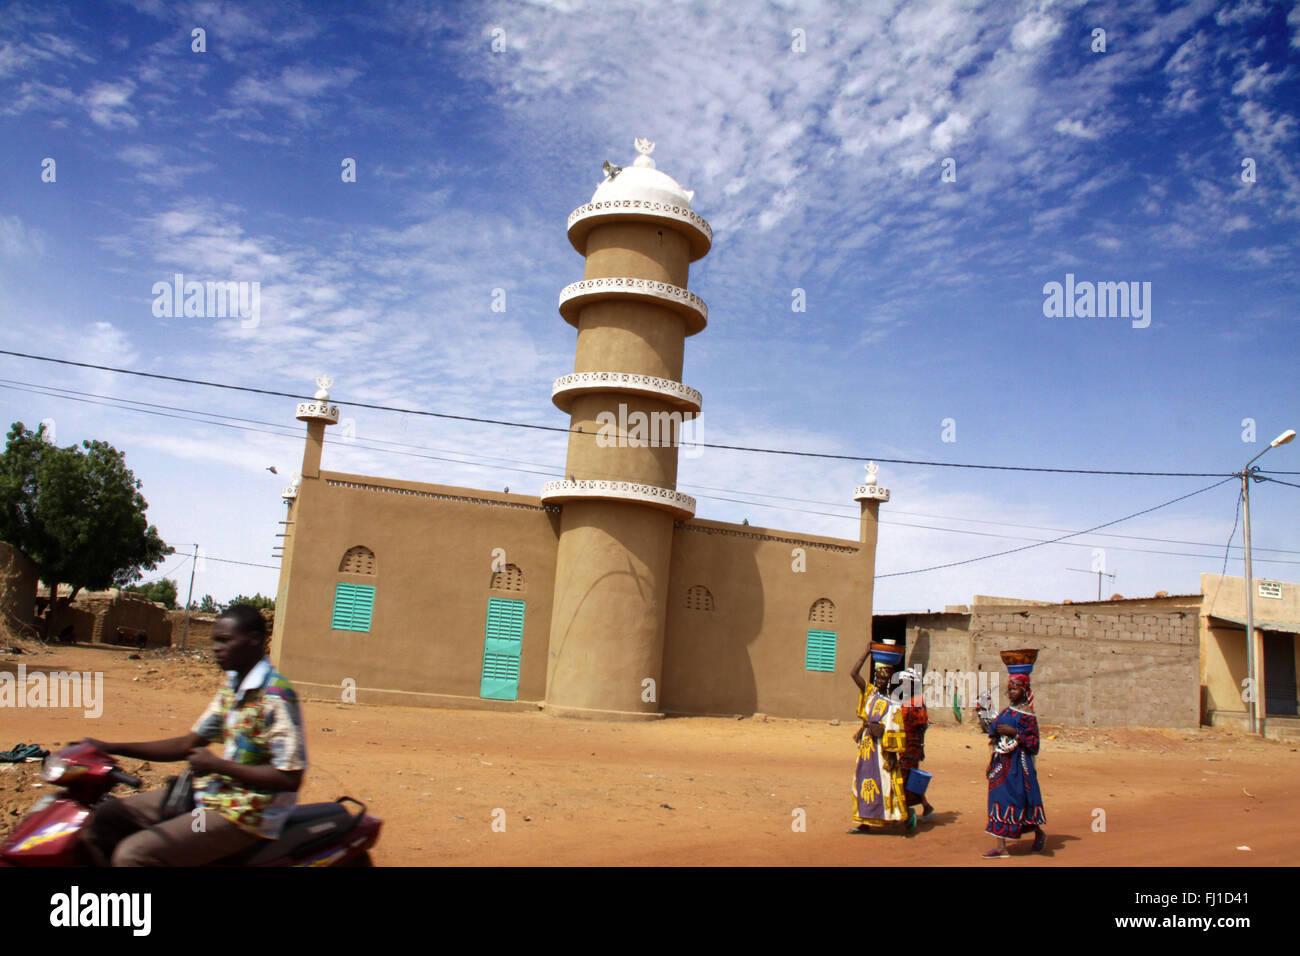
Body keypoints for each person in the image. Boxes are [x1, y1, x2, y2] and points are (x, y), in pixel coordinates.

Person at [81, 604, 307, 866]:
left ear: (254, 639)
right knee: (107, 816)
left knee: (134, 855)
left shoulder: (275, 696)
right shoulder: (233, 687)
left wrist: (218, 765)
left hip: (247, 813)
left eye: (225, 640)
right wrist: (110, 747)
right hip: (215, 794)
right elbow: (187, 744)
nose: (216, 648)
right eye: (215, 641)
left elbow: (290, 777)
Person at [846, 641, 914, 834]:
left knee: (884, 784)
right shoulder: (870, 694)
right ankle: (864, 822)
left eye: (883, 677)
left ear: (889, 681)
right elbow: (853, 674)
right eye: (877, 676)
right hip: (867, 748)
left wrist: (892, 755)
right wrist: (866, 652)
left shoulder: (893, 705)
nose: (879, 680)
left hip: (882, 750)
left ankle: (893, 818)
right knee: (863, 781)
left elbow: (895, 729)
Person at [979, 672, 1046, 858]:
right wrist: (990, 762)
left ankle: (1039, 833)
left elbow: (1034, 744)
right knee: (998, 800)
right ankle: (1001, 847)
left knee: (1020, 802)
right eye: (1009, 689)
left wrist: (1015, 733)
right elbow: (994, 736)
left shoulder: (1028, 715)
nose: (1011, 692)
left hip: (1018, 766)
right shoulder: (1006, 711)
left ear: (1024, 690)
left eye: (1014, 688)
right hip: (1000, 764)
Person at [895, 667, 935, 820]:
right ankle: (924, 804)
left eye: (906, 683)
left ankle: (903, 811)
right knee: (908, 776)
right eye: (901, 683)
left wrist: (921, 747)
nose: (903, 686)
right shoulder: (903, 701)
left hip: (911, 746)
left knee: (903, 776)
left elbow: (922, 726)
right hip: (902, 744)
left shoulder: (917, 701)